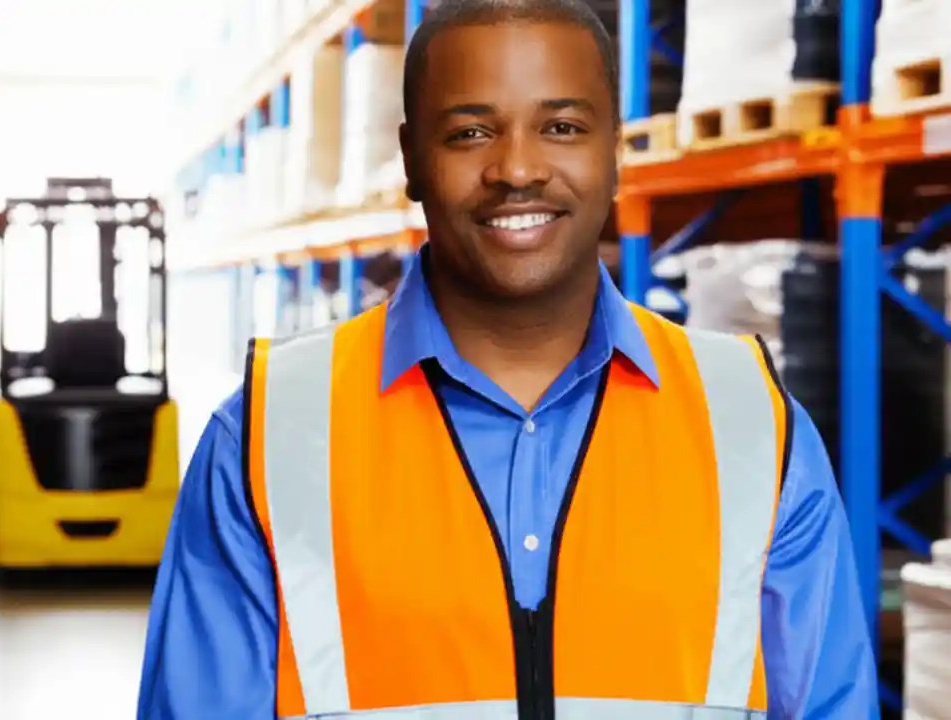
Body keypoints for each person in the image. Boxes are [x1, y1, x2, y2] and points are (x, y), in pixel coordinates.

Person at [137, 0, 879, 717]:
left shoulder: (751, 423)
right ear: (411, 161)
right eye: (468, 133)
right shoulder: (266, 439)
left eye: (561, 126)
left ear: (614, 151)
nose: (517, 168)